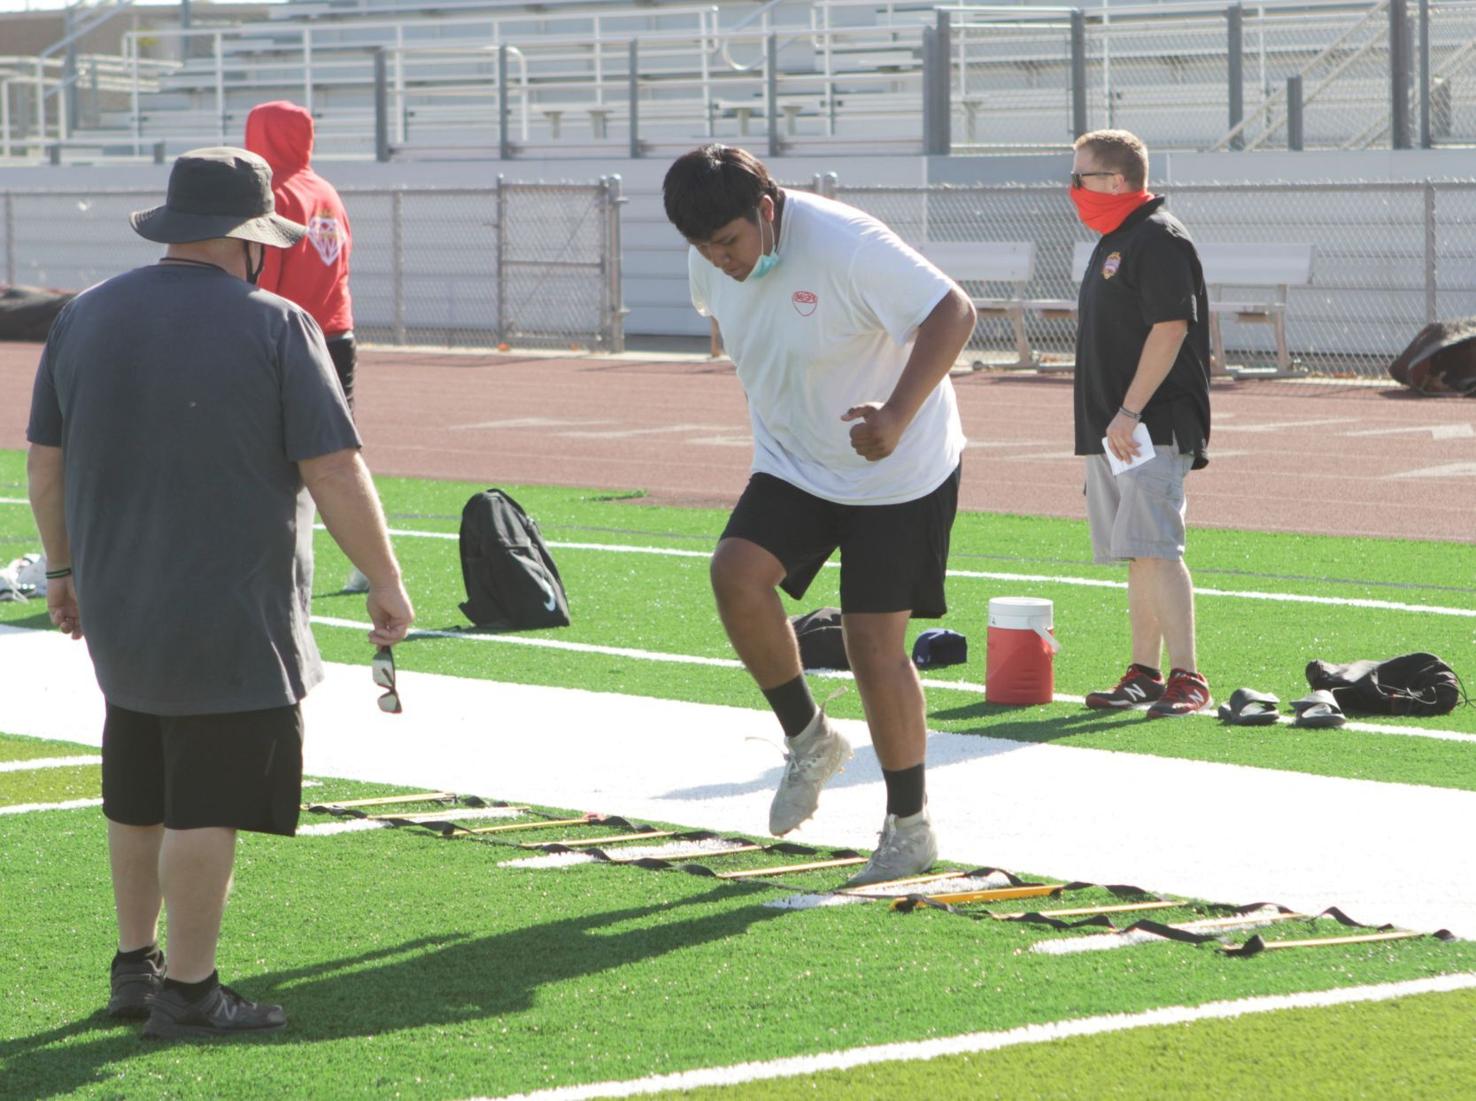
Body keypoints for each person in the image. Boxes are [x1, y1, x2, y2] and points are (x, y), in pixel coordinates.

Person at [25, 147, 415, 1039]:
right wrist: (386, 580)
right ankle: (192, 991)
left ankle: (136, 965)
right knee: (208, 800)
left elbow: (46, 464)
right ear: (250, 238)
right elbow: (334, 468)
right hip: (233, 607)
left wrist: (63, 570)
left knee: (138, 788)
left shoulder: (83, 314)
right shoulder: (278, 324)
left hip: (119, 600)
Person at [662, 145, 977, 887]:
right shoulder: (711, 257)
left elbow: (953, 311)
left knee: (873, 644)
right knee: (736, 574)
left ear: (766, 210)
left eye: (730, 242)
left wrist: (896, 413)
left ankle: (909, 827)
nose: (720, 261)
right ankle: (810, 738)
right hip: (797, 461)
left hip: (896, 465)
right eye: (704, 249)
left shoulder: (846, 243)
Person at [1069, 129, 1213, 718]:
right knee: (1138, 552)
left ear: (1117, 180)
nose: (1073, 189)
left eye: (1080, 177)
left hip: (1149, 422)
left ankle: (1188, 676)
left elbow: (1171, 327)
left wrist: (1129, 412)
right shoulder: (1117, 238)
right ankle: (1144, 673)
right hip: (1118, 428)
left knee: (1157, 547)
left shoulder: (1158, 237)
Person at [244, 100, 368, 594]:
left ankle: (287, 564)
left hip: (284, 334)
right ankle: (368, 557)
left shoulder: (270, 195)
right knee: (338, 453)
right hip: (336, 333)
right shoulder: (326, 191)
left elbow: (262, 276)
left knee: (273, 456)